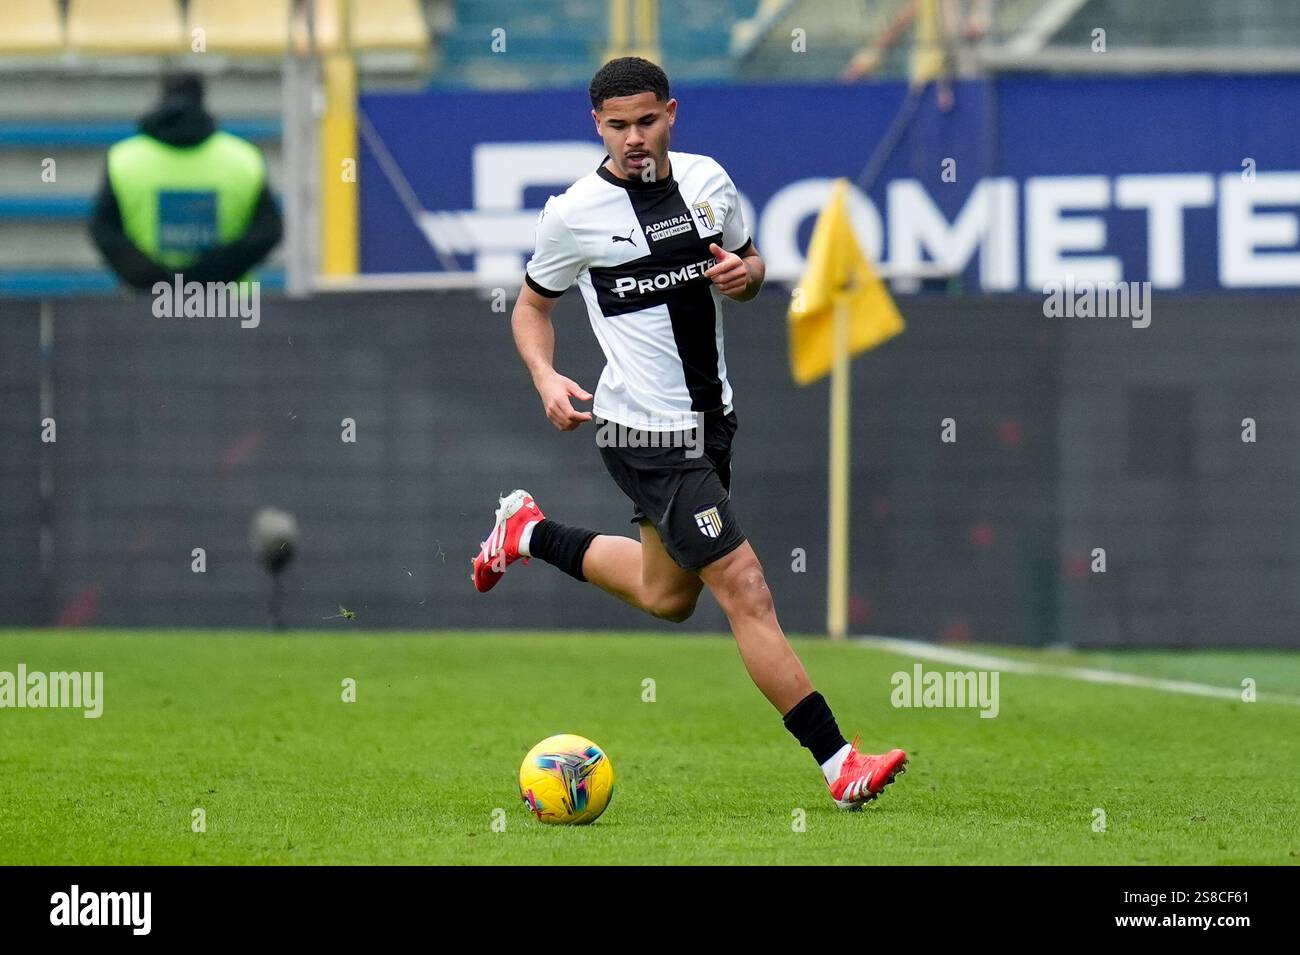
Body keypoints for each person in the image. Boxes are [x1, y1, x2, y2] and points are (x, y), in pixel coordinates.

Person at [473, 56, 907, 810]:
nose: (634, 138)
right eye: (618, 126)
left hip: (712, 422)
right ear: (596, 126)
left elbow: (750, 260)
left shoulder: (708, 181)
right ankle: (840, 763)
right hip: (646, 431)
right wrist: (546, 378)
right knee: (745, 587)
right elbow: (529, 308)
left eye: (647, 121)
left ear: (671, 112)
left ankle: (528, 531)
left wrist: (750, 275)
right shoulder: (574, 213)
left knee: (667, 593)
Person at [89, 72, 282, 291]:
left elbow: (105, 232)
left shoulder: (123, 159)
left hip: (146, 309)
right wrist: (208, 275)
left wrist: (156, 281)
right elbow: (268, 231)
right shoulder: (244, 159)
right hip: (229, 310)